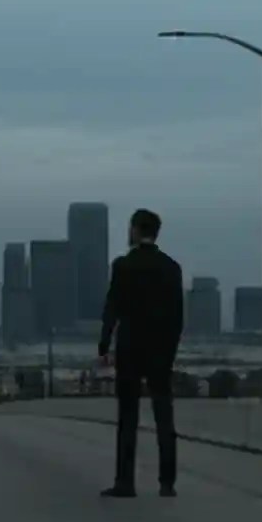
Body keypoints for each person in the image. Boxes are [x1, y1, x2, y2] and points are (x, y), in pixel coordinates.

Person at [97, 209, 184, 498]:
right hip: (160, 350)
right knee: (164, 416)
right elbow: (177, 317)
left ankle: (125, 482)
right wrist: (170, 351)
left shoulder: (123, 265)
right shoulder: (172, 268)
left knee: (128, 418)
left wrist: (104, 345)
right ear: (156, 232)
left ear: (135, 230)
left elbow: (112, 308)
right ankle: (167, 483)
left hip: (131, 348)